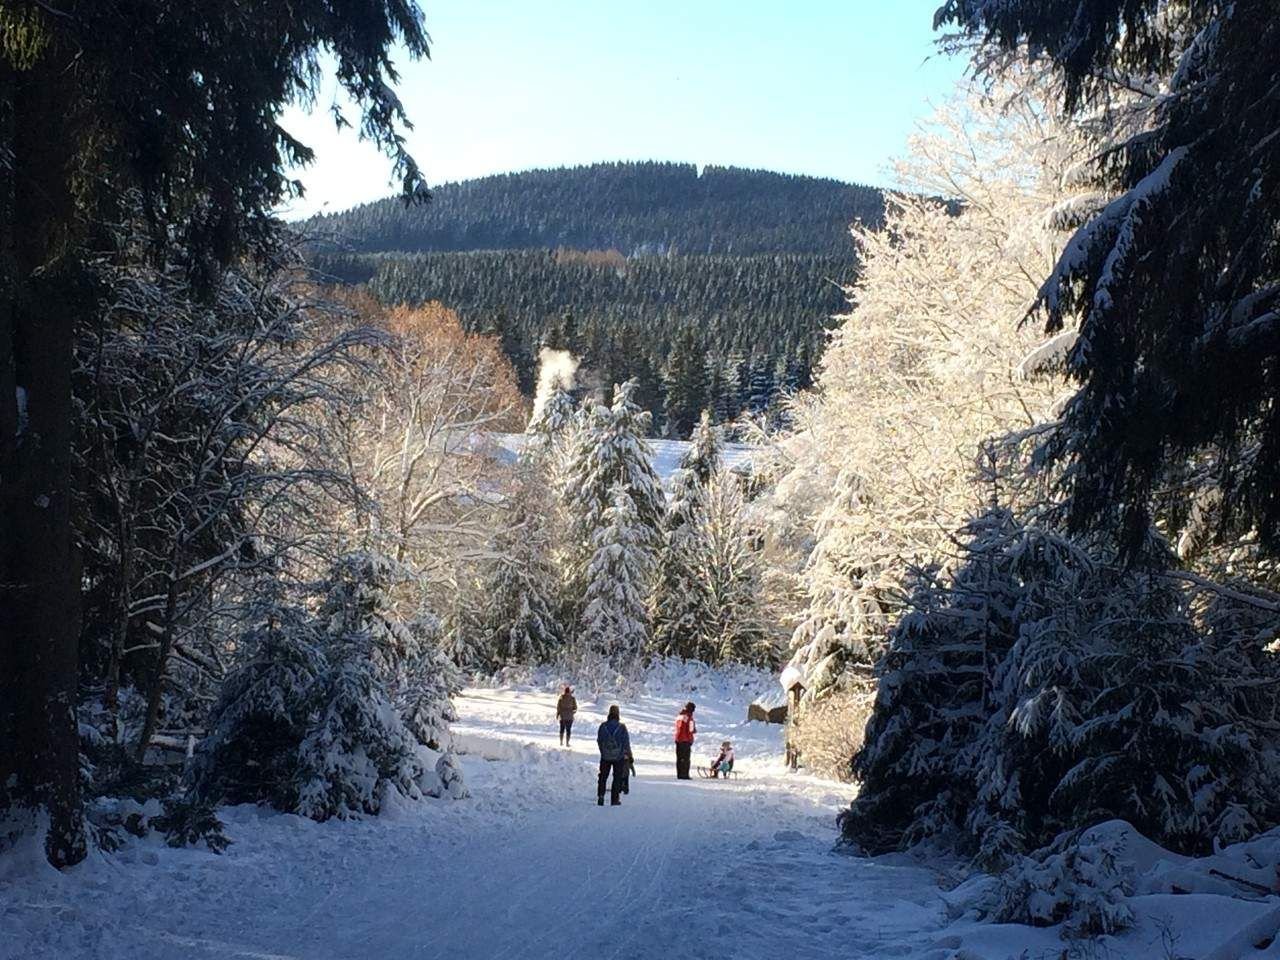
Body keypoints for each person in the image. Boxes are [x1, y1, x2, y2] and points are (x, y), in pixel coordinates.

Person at [597, 705, 631, 806]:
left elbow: (599, 740)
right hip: (618, 757)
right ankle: (614, 799)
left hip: (605, 756)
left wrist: (603, 751)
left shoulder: (603, 726)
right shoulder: (622, 727)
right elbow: (626, 743)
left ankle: (601, 796)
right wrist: (628, 755)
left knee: (603, 776)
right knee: (617, 777)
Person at [673, 701, 696, 780]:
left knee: (679, 758)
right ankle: (685, 775)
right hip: (686, 740)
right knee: (686, 759)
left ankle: (679, 774)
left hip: (678, 739)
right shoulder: (688, 717)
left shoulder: (680, 716)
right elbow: (691, 730)